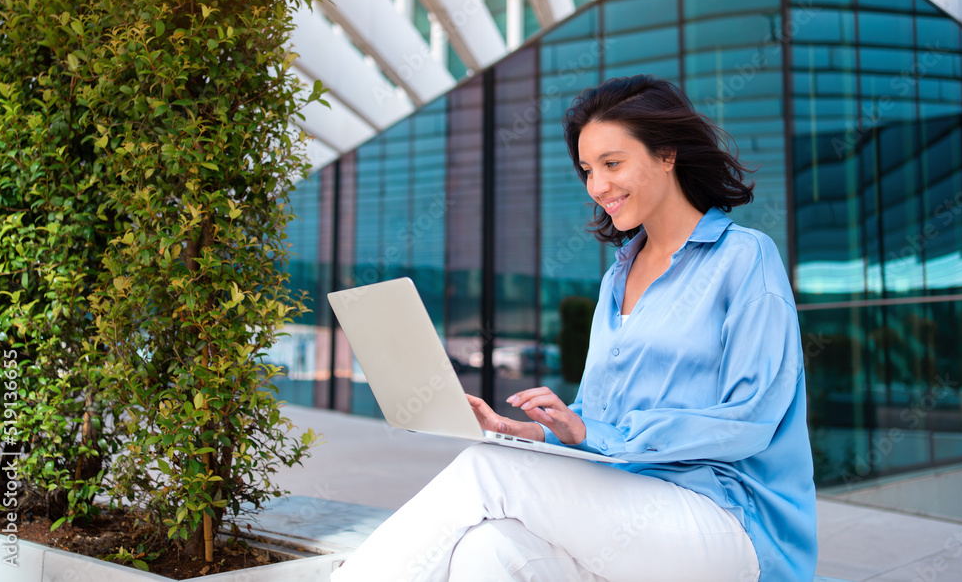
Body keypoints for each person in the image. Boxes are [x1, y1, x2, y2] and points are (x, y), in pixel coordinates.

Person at [331, 75, 817, 581]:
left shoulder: (744, 257)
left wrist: (598, 433)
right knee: (487, 550)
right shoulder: (617, 277)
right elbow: (594, 418)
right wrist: (535, 434)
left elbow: (751, 417)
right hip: (625, 507)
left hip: (727, 519)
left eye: (612, 163)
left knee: (488, 470)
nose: (597, 186)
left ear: (667, 155)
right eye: (588, 170)